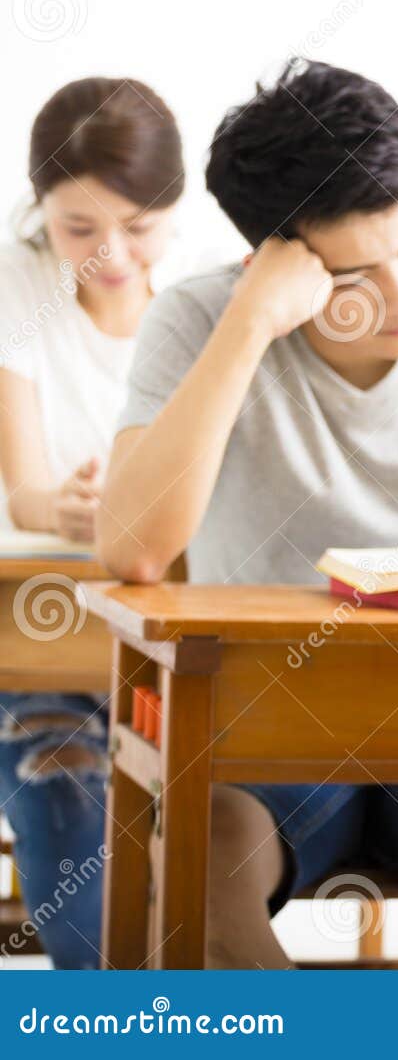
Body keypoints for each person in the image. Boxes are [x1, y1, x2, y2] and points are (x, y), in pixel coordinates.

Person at [97, 60, 398, 966]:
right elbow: (132, 548)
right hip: (273, 736)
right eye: (357, 273)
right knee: (201, 864)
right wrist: (249, 323)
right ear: (273, 260)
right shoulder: (202, 319)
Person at [0, 77, 184, 969]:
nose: (109, 252)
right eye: (78, 229)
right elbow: (28, 492)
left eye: (139, 226)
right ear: (42, 213)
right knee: (69, 811)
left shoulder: (199, 306)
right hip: (52, 631)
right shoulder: (18, 285)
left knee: (219, 832)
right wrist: (74, 507)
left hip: (179, 642)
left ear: (175, 209)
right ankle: (110, 1010)